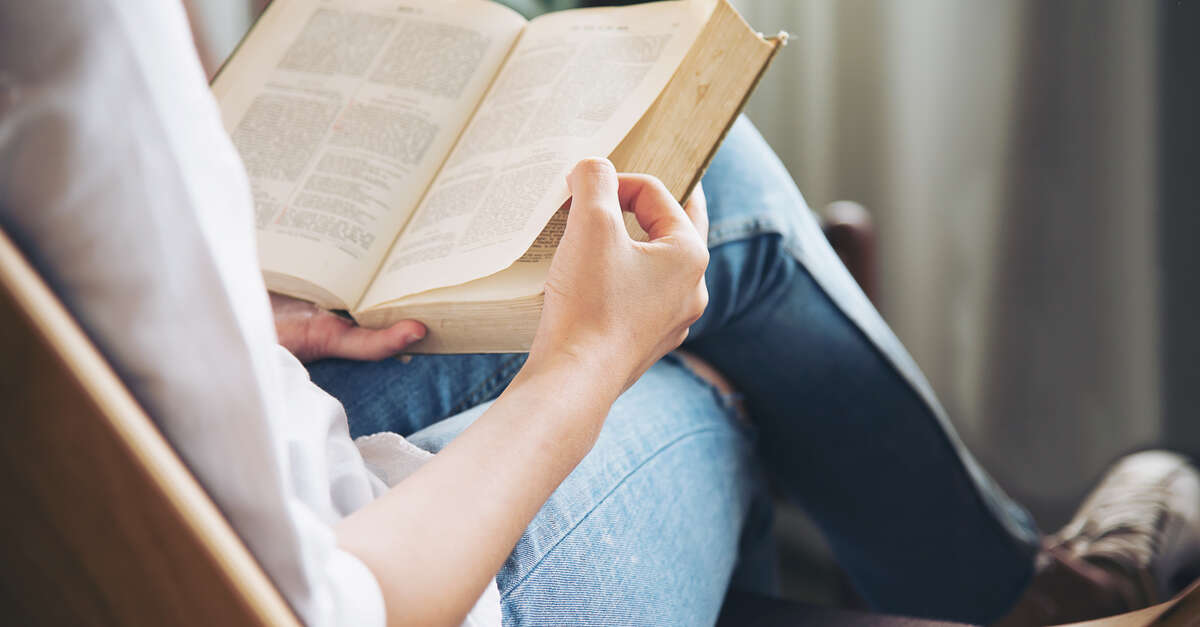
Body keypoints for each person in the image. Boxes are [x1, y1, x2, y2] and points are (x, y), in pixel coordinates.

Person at [1, 1, 1196, 626]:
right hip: (348, 581)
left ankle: (1010, 582)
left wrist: (235, 315)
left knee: (698, 201)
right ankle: (1027, 598)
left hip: (152, 467)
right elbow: (326, 610)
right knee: (698, 355)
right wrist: (584, 363)